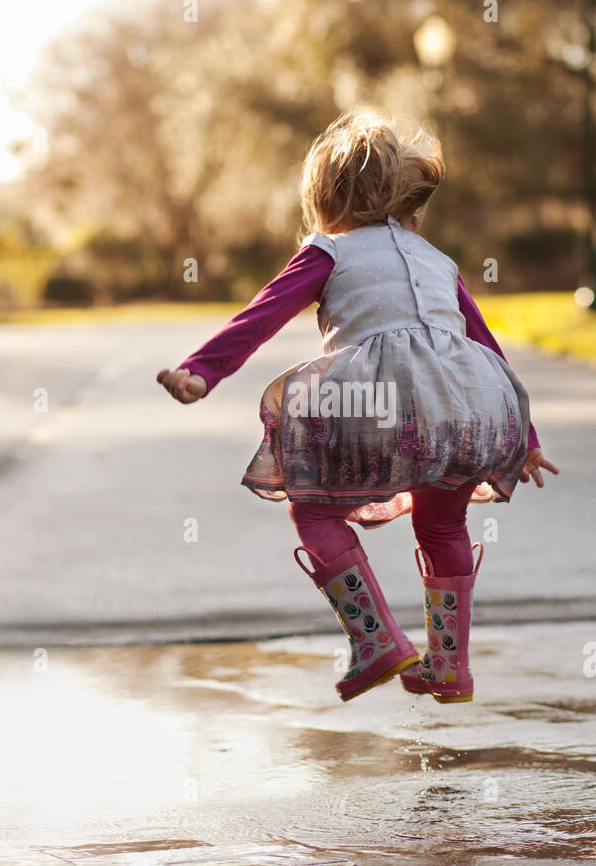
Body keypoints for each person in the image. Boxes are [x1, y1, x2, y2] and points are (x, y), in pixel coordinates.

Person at [158, 110, 558, 705]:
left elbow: (261, 316)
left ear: (325, 196)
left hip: (379, 402)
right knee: (444, 523)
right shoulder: (437, 260)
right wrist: (522, 437)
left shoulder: (327, 250)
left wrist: (202, 370)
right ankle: (449, 667)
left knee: (314, 513)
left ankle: (375, 642)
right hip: (470, 407)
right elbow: (484, 346)